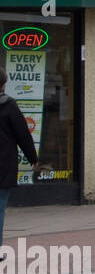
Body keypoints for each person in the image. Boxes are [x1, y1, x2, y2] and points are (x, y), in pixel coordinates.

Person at [0, 72, 42, 256]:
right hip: (3, 165)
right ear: (3, 83)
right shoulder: (9, 105)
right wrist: (33, 158)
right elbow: (22, 134)